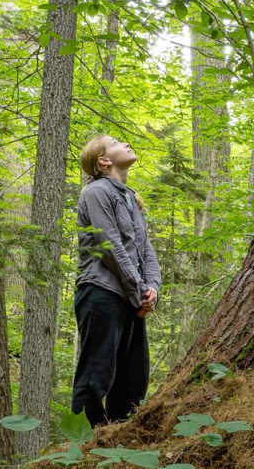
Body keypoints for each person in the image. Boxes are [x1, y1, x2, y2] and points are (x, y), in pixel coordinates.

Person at [70, 134, 162, 427]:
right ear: (104, 160)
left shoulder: (131, 198)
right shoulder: (96, 192)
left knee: (133, 376)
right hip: (101, 294)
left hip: (131, 299)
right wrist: (140, 292)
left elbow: (145, 249)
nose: (125, 143)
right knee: (97, 373)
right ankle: (88, 441)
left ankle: (120, 438)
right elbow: (111, 248)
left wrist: (153, 289)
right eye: (115, 142)